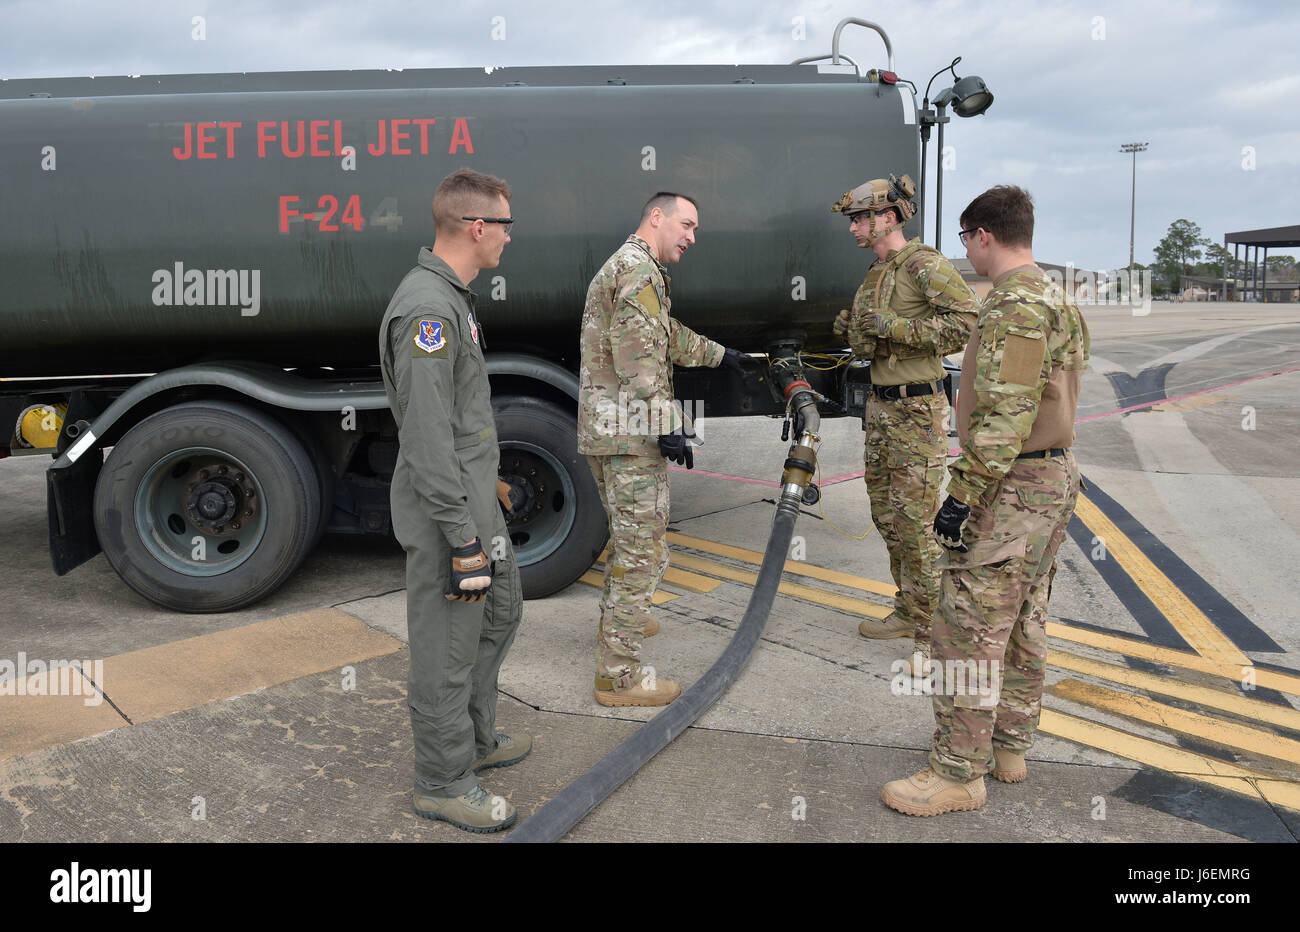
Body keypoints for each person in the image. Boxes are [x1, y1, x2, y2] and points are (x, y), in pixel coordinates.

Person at [881, 184, 1089, 816]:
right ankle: (1007, 746)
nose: (967, 253)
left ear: (982, 236)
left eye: (967, 240)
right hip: (1050, 480)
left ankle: (956, 772)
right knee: (1023, 620)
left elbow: (1005, 413)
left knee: (966, 630)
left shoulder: (1013, 305)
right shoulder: (1057, 296)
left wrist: (963, 496)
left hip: (1013, 486)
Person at [378, 168, 529, 833]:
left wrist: (487, 486)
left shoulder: (453, 297)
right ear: (476, 228)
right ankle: (442, 779)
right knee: (445, 651)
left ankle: (476, 740)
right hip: (450, 519)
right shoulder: (428, 310)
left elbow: (459, 419)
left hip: (474, 504)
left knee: (500, 612)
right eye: (505, 226)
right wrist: (461, 536)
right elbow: (427, 435)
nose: (507, 239)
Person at [578, 192, 746, 707]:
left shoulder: (632, 266)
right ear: (657, 217)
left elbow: (662, 334)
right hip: (630, 434)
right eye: (687, 224)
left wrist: (721, 356)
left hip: (610, 429)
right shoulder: (638, 270)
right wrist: (667, 423)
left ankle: (621, 624)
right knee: (642, 551)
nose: (692, 237)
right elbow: (637, 357)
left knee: (630, 541)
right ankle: (618, 675)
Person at [830, 174, 979, 671]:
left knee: (916, 525)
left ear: (888, 218)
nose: (853, 228)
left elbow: (967, 321)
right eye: (852, 220)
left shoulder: (923, 265)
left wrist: (895, 328)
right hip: (881, 408)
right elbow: (869, 337)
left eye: (859, 219)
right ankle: (910, 608)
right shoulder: (877, 272)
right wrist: (852, 328)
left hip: (917, 410)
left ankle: (933, 636)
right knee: (887, 516)